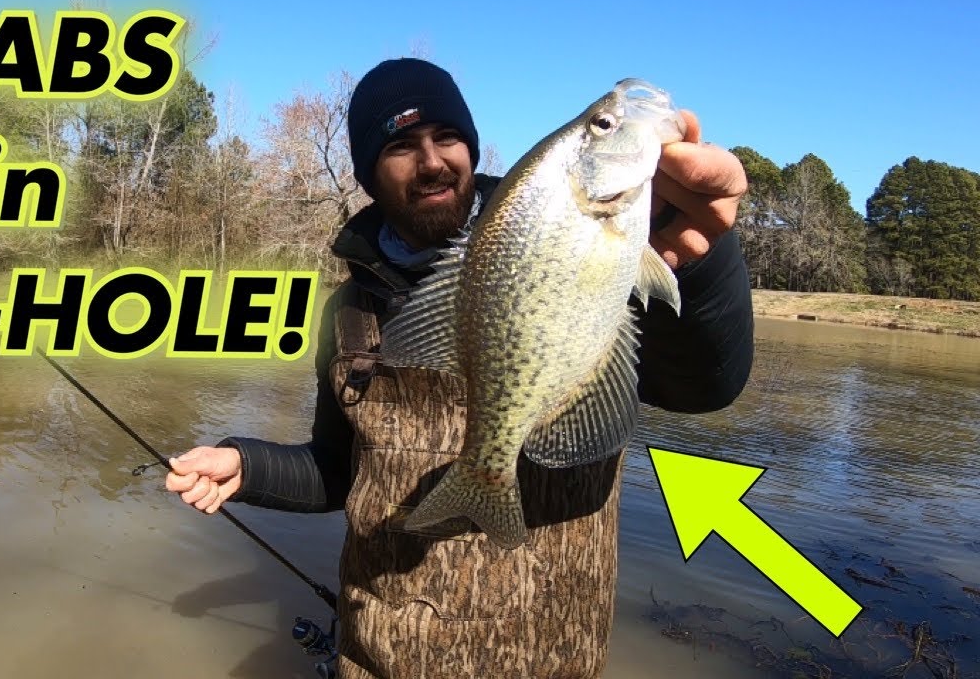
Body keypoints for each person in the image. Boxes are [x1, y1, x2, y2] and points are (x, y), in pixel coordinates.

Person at [165, 58, 754, 678]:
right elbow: (340, 473)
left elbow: (706, 387)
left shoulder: (578, 235)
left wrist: (701, 252)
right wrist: (245, 463)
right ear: (369, 174)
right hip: (377, 659)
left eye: (446, 138)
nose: (432, 162)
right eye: (400, 146)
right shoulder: (347, 313)